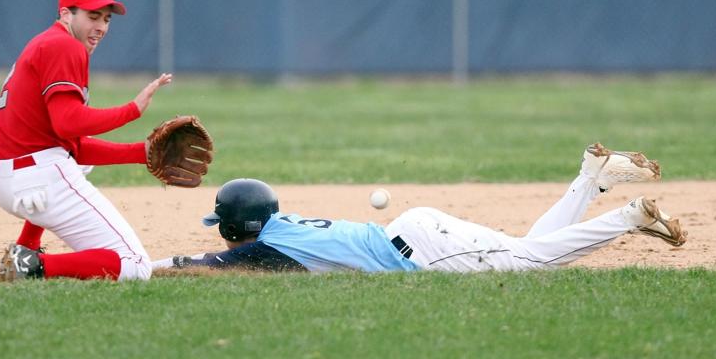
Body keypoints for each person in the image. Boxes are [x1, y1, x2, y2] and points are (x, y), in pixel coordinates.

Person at [153, 143, 686, 273]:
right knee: (526, 247)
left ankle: (630, 216)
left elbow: (204, 270)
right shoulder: (282, 227)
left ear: (236, 229)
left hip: (420, 250)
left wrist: (144, 267)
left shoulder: (267, 251)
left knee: (533, 264)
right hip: (415, 227)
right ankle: (588, 180)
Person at [0, 0, 172, 282]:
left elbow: (71, 143)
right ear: (66, 14)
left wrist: (141, 153)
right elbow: (69, 122)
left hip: (5, 178)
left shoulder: (44, 42)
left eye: (106, 19)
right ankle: (33, 268)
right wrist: (132, 111)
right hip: (38, 180)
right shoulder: (65, 47)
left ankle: (26, 247)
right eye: (92, 16)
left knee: (78, 162)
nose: (101, 27)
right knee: (136, 266)